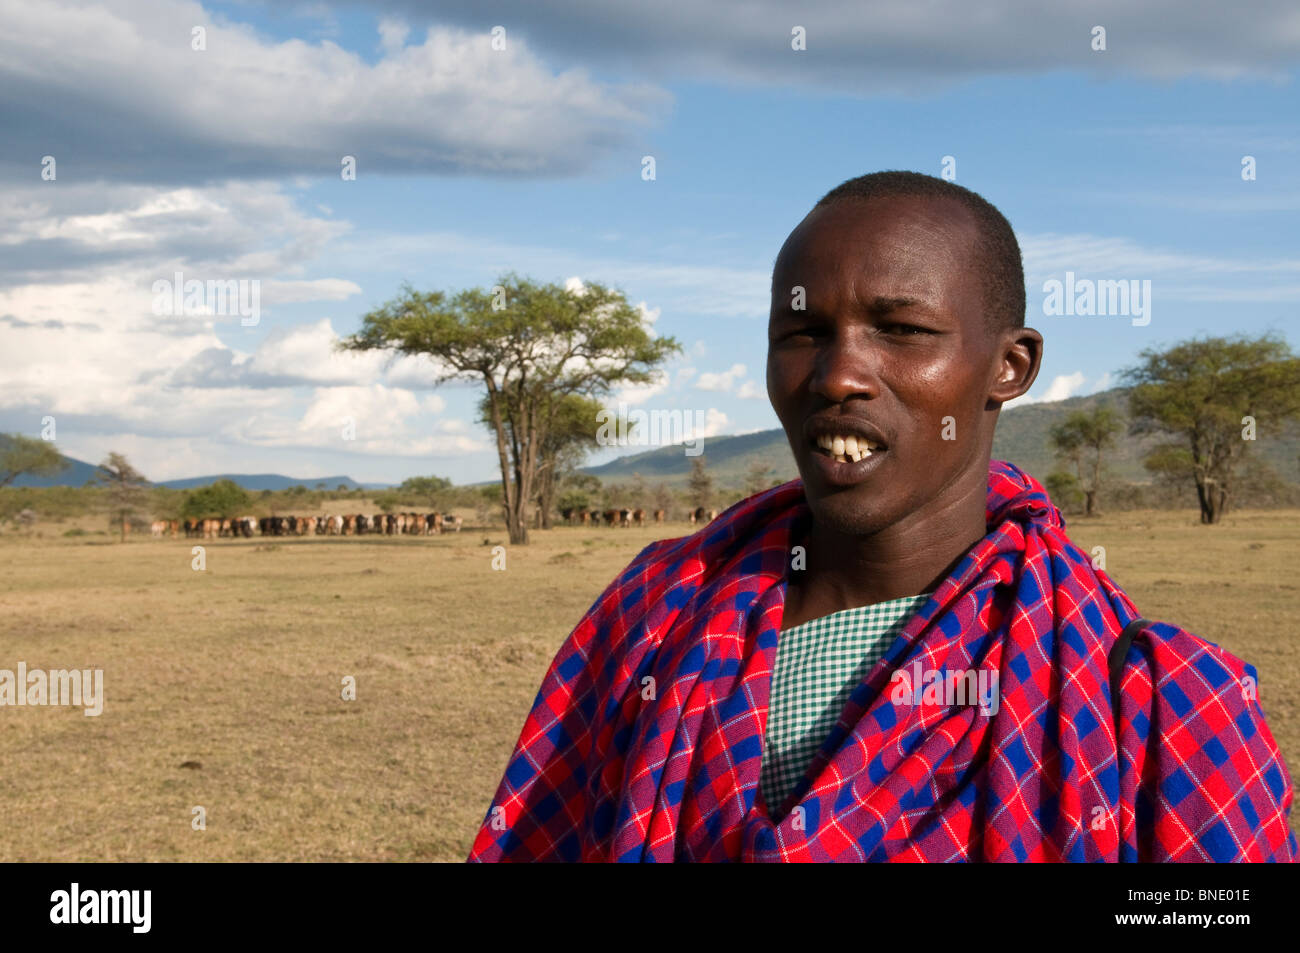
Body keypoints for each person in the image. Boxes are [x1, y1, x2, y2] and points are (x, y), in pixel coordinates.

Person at [468, 171, 1296, 862]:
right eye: (802, 333)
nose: (838, 375)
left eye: (901, 329)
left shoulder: (1156, 706)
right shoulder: (655, 616)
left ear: (1010, 367)